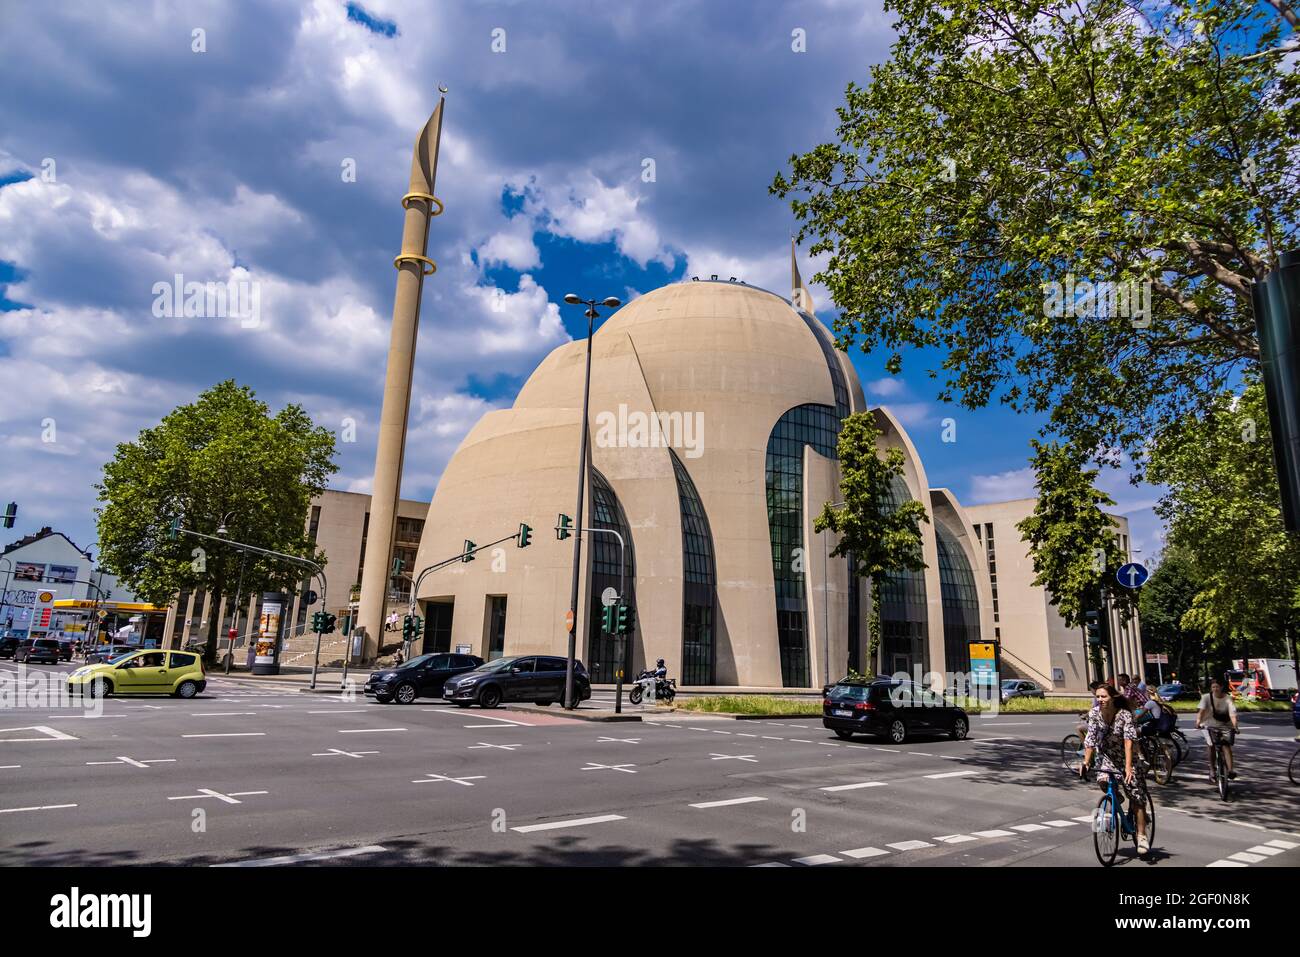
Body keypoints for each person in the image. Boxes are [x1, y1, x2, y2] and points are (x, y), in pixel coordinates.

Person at [1081, 683, 1152, 855]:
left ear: (1113, 697)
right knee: (1103, 781)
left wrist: (1128, 767)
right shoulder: (1095, 714)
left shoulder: (1125, 715)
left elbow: (1129, 742)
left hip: (1128, 758)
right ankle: (1117, 797)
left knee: (1137, 796)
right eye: (1098, 696)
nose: (1100, 700)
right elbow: (1090, 739)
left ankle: (1141, 835)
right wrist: (1086, 762)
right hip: (1107, 756)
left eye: (1104, 696)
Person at [1195, 677, 1239, 783]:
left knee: (1226, 745)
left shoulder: (1228, 698)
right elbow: (1201, 712)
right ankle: (1212, 770)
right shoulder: (1206, 697)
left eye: (1217, 687)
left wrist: (1235, 727)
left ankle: (1230, 770)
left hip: (1225, 725)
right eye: (1213, 687)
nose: (1215, 689)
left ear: (1222, 687)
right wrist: (1197, 722)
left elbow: (1232, 715)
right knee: (1211, 745)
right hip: (1208, 725)